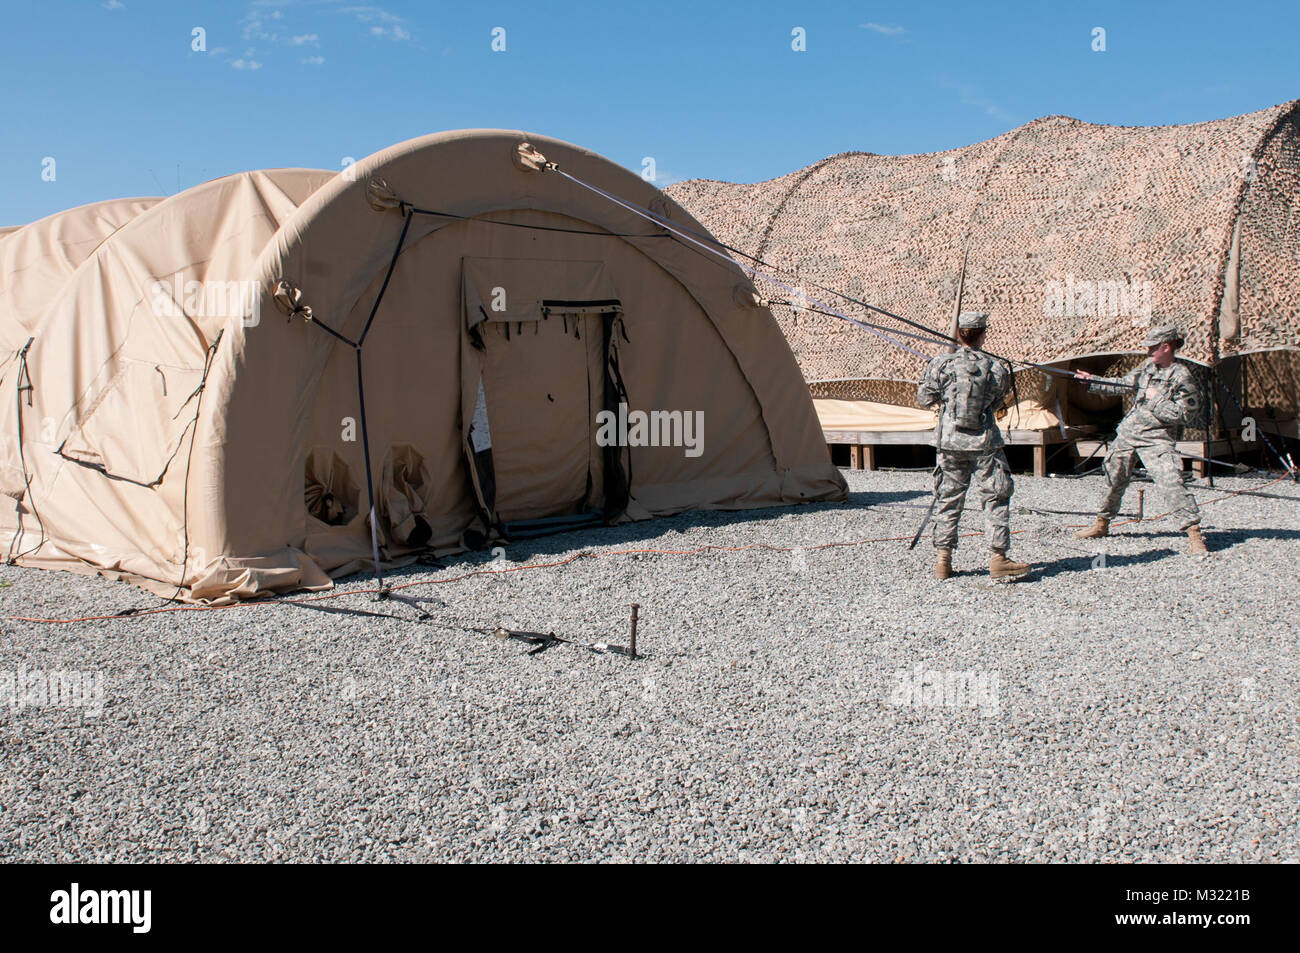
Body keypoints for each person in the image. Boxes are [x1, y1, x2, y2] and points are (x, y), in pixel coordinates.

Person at [1072, 324, 1208, 555]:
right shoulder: (1147, 367)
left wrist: (1155, 400)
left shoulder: (1181, 376)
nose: (1148, 352)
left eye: (1152, 347)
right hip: (1129, 433)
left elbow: (1184, 415)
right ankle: (1102, 523)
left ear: (1166, 347)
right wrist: (1091, 380)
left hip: (1156, 438)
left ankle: (1194, 534)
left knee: (1171, 482)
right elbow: (1125, 384)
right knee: (1113, 479)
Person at [916, 311, 1031, 581]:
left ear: (959, 334)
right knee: (996, 498)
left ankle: (943, 561)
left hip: (950, 444)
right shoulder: (995, 367)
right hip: (985, 443)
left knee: (948, 500)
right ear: (982, 333)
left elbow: (923, 398)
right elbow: (999, 401)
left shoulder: (940, 364)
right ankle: (998, 558)